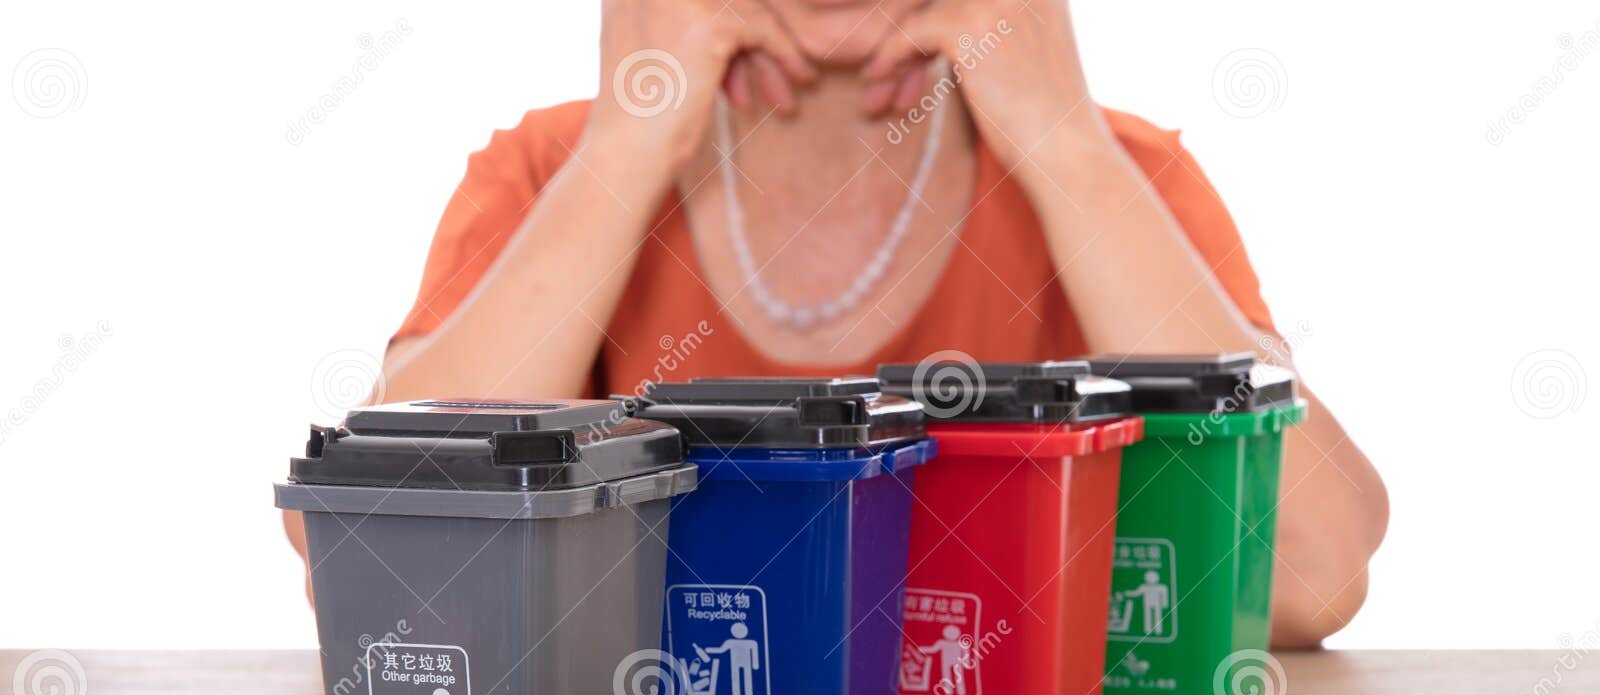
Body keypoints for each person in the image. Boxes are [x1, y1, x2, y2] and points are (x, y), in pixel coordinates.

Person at [283, 0, 1386, 647]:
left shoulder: (1118, 177)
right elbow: (384, 568)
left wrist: (1057, 133)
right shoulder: (557, 171)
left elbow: (1306, 569)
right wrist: (626, 150)